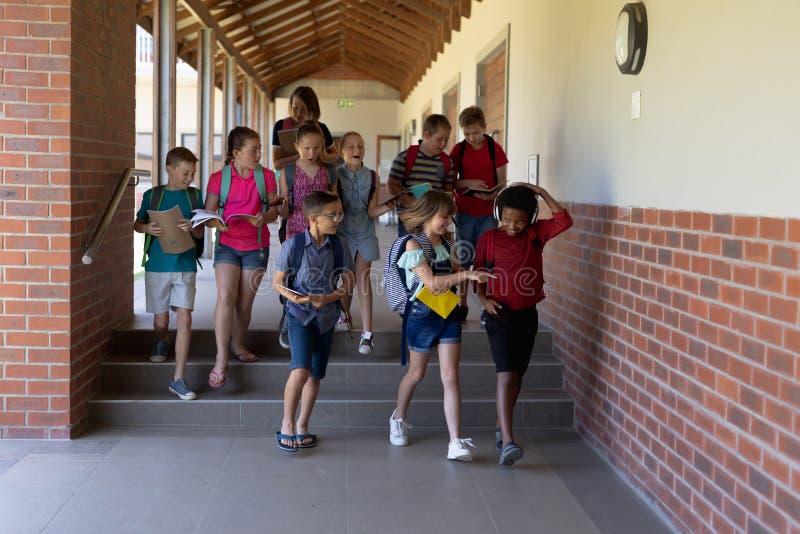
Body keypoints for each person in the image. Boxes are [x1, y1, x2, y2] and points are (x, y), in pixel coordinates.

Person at [388, 190, 492, 461]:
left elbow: (452, 276)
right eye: (444, 217)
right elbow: (432, 284)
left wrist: (463, 275)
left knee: (450, 376)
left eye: (449, 217)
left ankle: (455, 441)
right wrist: (466, 273)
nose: (448, 222)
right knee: (416, 374)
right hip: (422, 314)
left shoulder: (446, 243)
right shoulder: (413, 244)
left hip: (447, 314)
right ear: (427, 214)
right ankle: (398, 417)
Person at [473, 183, 572, 466]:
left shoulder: (536, 234)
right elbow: (476, 275)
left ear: (529, 219)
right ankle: (508, 442)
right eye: (506, 219)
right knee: (505, 375)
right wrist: (484, 301)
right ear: (497, 215)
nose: (512, 226)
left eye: (518, 221)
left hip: (527, 314)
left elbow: (564, 219)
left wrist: (540, 192)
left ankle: (500, 427)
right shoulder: (488, 239)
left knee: (517, 376)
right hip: (498, 314)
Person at [273, 191, 354, 452]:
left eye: (340, 213)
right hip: (299, 316)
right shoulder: (293, 246)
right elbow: (277, 283)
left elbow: (349, 282)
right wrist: (294, 299)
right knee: (301, 369)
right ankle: (286, 424)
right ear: (314, 218)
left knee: (316, 373)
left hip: (327, 317)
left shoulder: (340, 246)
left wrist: (330, 296)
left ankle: (303, 425)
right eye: (334, 214)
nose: (340, 219)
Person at [204, 126, 281, 388]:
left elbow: (275, 211)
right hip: (227, 244)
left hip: (256, 246)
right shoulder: (218, 178)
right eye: (253, 150)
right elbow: (207, 215)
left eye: (259, 149)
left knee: (244, 303)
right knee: (226, 295)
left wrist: (265, 217)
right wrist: (217, 223)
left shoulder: (267, 177)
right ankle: (221, 356)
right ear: (236, 153)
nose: (259, 154)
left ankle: (238, 344)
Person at [133, 147, 204, 400]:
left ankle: (179, 378)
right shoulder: (153, 196)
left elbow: (200, 234)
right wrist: (149, 229)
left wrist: (193, 226)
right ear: (169, 169)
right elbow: (137, 223)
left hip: (185, 265)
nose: (189, 178)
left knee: (185, 318)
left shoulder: (196, 197)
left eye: (192, 174)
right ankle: (161, 338)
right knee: (161, 322)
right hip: (157, 267)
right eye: (185, 173)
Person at [276, 121, 340, 348]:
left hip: (322, 235)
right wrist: (280, 205)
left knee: (317, 277)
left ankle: (316, 321)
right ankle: (289, 318)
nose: (312, 153)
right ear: (296, 147)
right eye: (306, 148)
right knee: (293, 280)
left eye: (317, 148)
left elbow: (335, 203)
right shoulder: (289, 172)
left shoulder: (329, 171)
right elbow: (284, 211)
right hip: (296, 234)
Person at [334, 131, 394, 354]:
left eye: (360, 145)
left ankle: (367, 335)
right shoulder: (336, 175)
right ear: (342, 152)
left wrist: (389, 206)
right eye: (350, 146)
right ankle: (345, 313)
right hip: (343, 232)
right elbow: (334, 207)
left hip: (365, 232)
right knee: (347, 279)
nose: (356, 149)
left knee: (363, 279)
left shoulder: (373, 176)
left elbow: (371, 211)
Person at [450, 106, 508, 323]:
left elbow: (502, 182)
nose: (471, 138)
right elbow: (450, 181)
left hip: (488, 212)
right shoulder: (459, 150)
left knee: (487, 259)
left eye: (475, 132)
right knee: (464, 257)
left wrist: (492, 194)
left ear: (484, 127)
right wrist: (466, 182)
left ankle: (486, 302)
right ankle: (462, 303)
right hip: (464, 211)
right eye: (466, 133)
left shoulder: (495, 149)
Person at [387, 114, 454, 238]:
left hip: (435, 220)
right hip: (411, 219)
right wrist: (414, 202)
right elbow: (392, 186)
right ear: (427, 135)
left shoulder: (447, 162)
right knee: (410, 252)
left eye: (446, 140)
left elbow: (448, 190)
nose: (443, 144)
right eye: (439, 139)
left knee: (434, 254)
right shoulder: (405, 158)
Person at [271, 86, 338, 170]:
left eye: (303, 109)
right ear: (290, 105)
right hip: (289, 178)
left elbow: (336, 156)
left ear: (312, 109)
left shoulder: (321, 128)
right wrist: (304, 154)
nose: (299, 112)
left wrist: (324, 157)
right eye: (295, 107)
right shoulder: (280, 126)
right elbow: (277, 164)